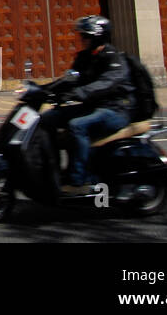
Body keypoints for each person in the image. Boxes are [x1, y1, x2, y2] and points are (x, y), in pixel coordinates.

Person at [53, 15, 136, 195]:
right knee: (48, 118)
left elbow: (106, 83)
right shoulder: (85, 57)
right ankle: (52, 172)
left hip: (115, 109)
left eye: (85, 36)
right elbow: (71, 78)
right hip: (93, 106)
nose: (81, 40)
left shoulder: (114, 59)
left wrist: (79, 93)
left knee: (77, 126)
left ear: (97, 37)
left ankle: (79, 181)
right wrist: (43, 90)